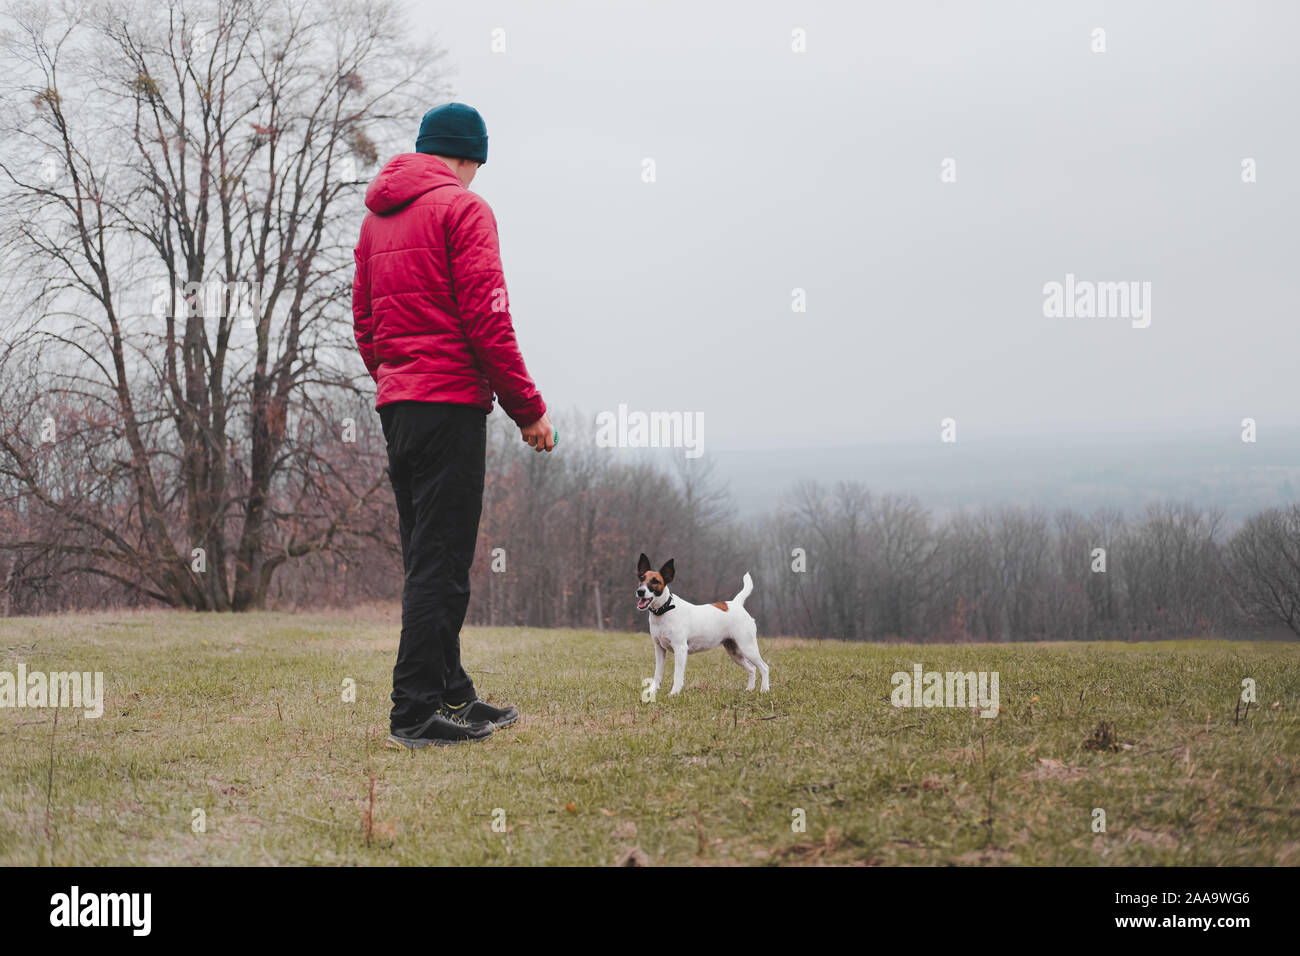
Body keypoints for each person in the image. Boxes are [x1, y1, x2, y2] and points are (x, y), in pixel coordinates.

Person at [352, 102, 555, 749]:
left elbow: (364, 324)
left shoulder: (376, 220)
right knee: (440, 566)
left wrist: (394, 380)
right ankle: (413, 714)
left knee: (426, 556)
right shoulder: (464, 210)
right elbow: (487, 320)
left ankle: (452, 695)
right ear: (470, 157)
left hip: (398, 406)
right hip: (449, 406)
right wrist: (528, 409)